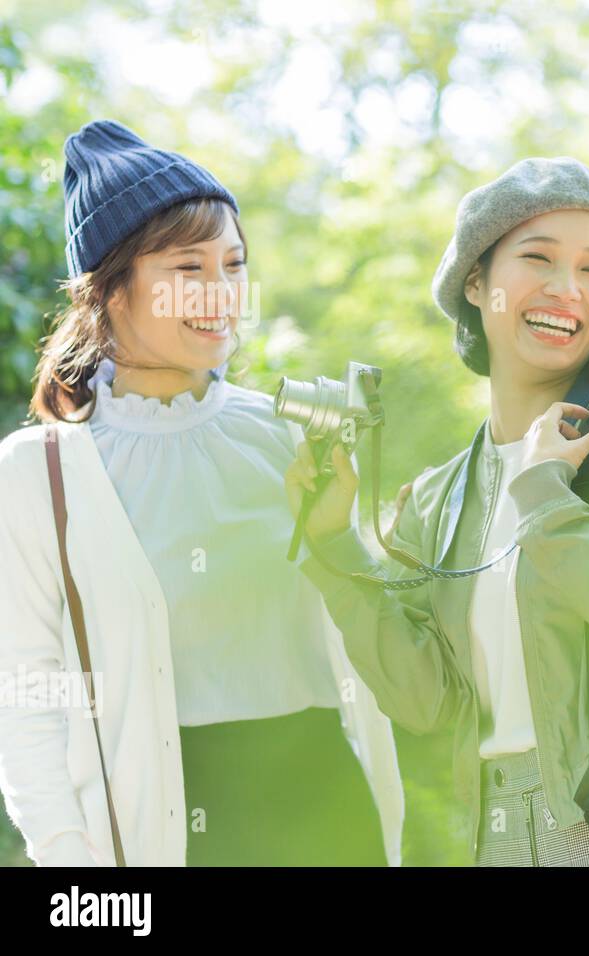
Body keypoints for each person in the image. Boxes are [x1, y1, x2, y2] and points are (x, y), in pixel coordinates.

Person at [287, 157, 589, 866]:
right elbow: (427, 701)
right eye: (538, 258)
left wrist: (546, 497)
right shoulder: (441, 493)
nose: (567, 290)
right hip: (485, 832)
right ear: (475, 283)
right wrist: (336, 543)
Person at [0, 120, 402, 866]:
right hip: (164, 831)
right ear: (109, 289)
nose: (221, 295)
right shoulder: (39, 474)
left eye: (234, 265)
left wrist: (338, 539)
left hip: (328, 813)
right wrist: (68, 860)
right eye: (189, 268)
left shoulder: (290, 439)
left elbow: (382, 643)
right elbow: (24, 704)